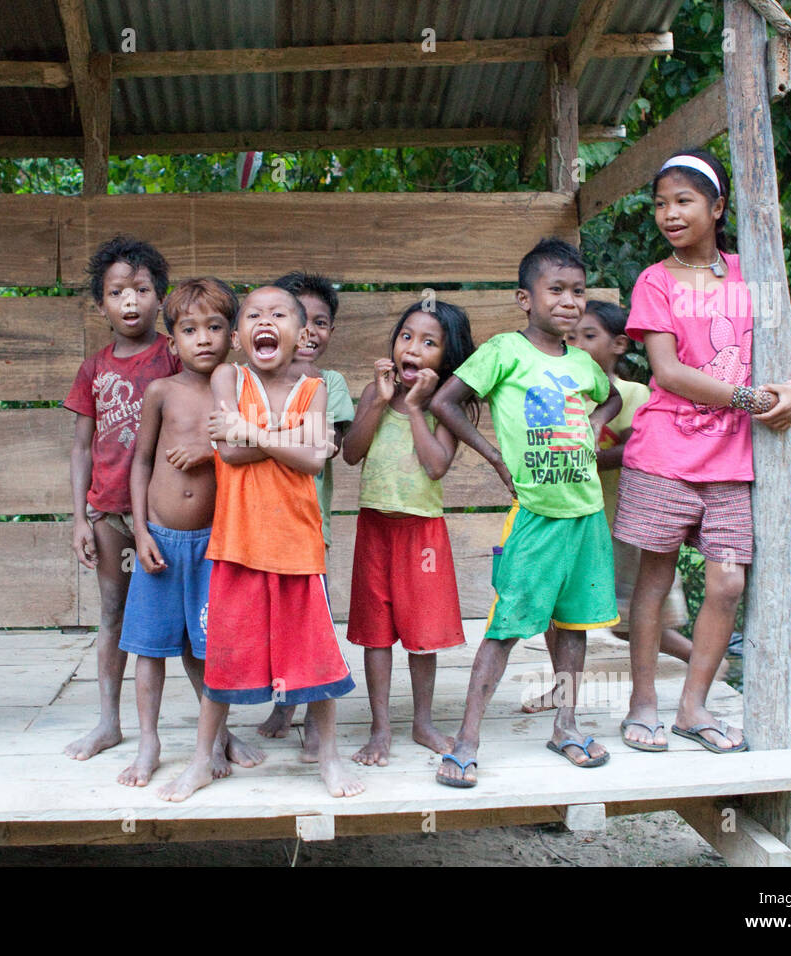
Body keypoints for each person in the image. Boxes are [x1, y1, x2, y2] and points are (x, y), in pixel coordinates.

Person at [614, 149, 791, 754]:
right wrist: (754, 399)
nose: (668, 214)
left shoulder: (751, 275)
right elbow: (668, 372)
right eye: (659, 204)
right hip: (665, 451)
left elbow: (788, 341)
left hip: (732, 459)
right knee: (655, 576)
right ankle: (642, 704)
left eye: (683, 201)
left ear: (718, 207)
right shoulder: (657, 280)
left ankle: (693, 707)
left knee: (727, 582)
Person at [158, 286, 363, 802]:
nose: (264, 321)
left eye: (278, 315)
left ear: (302, 335)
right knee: (223, 656)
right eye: (253, 315)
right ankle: (201, 761)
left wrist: (252, 429)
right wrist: (285, 442)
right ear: (239, 334)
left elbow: (315, 462)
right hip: (237, 543)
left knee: (314, 656)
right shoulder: (231, 376)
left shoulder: (313, 387)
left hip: (297, 545)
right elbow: (227, 452)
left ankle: (330, 760)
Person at [430, 238, 622, 787]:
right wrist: (493, 457)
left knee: (575, 626)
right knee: (505, 627)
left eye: (579, 292)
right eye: (555, 290)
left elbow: (609, 398)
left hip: (585, 514)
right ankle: (466, 741)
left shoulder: (583, 363)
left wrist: (593, 423)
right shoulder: (503, 352)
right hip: (536, 514)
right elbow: (445, 401)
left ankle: (566, 725)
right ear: (524, 297)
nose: (569, 301)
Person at [520, 299, 713, 716]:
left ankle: (706, 662)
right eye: (571, 337)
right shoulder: (562, 392)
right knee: (558, 610)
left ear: (620, 345)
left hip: (624, 527)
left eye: (589, 336)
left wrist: (578, 453)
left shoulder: (633, 394)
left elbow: (632, 450)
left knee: (632, 625)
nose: (576, 343)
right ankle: (561, 688)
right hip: (574, 521)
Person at [118, 277, 265, 786]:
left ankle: (217, 737)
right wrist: (139, 531)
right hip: (161, 539)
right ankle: (149, 742)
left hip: (215, 544)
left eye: (215, 327)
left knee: (210, 650)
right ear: (172, 339)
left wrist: (211, 452)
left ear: (233, 335)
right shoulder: (161, 391)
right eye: (189, 329)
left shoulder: (243, 391)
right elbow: (140, 463)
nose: (203, 339)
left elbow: (254, 456)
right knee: (149, 647)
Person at [341, 300, 476, 766]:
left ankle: (422, 721)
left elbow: (436, 466)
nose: (413, 347)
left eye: (429, 342)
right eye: (406, 336)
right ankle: (380, 728)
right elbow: (351, 453)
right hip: (374, 527)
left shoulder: (445, 407)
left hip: (422, 533)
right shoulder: (372, 393)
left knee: (423, 633)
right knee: (375, 634)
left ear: (447, 357)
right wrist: (379, 401)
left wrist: (417, 407)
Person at [63, 237, 180, 761]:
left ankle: (215, 730)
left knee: (187, 615)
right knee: (112, 614)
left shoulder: (176, 356)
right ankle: (109, 722)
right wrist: (78, 519)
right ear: (101, 302)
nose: (130, 301)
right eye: (117, 292)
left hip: (168, 513)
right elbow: (81, 447)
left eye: (141, 289)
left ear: (160, 297)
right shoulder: (93, 369)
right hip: (109, 512)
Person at [256, 271, 354, 751]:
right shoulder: (253, 379)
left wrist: (254, 435)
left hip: (308, 524)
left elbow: (326, 448)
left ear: (330, 332)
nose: (310, 331)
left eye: (321, 322)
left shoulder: (327, 383)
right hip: (258, 527)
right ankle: (283, 701)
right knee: (274, 622)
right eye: (302, 319)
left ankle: (317, 717)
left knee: (313, 625)